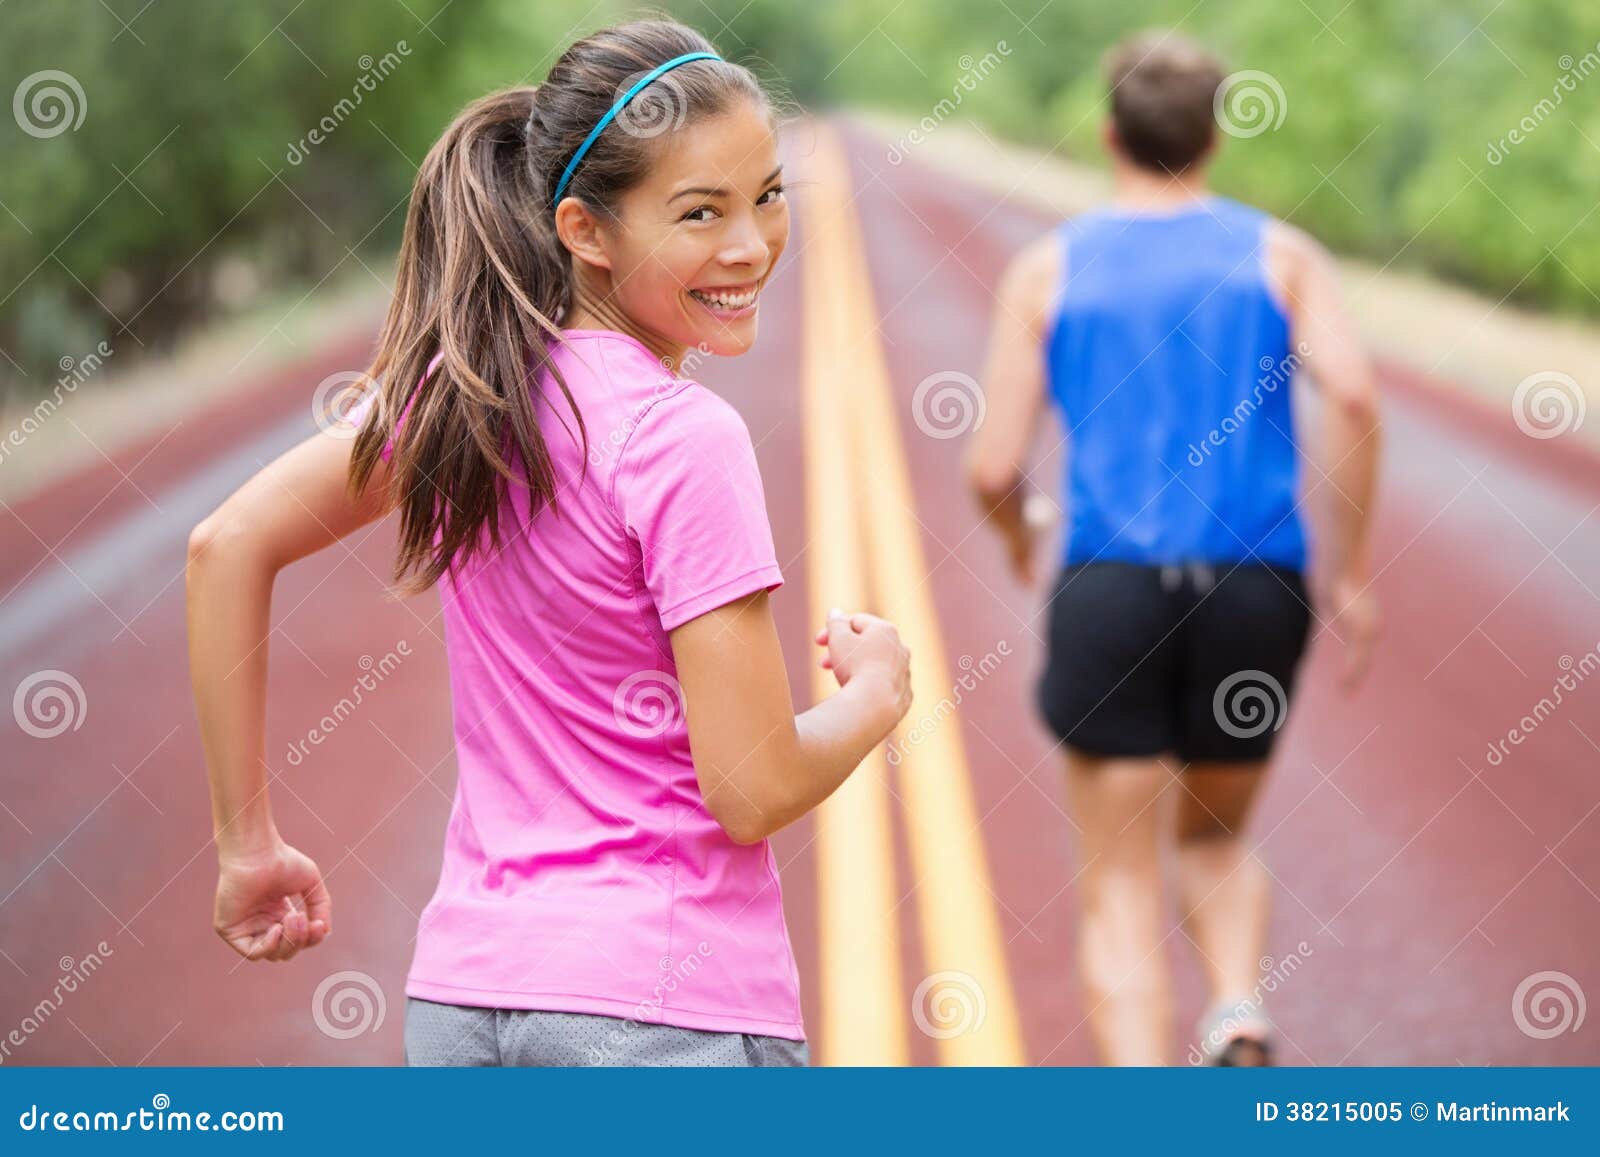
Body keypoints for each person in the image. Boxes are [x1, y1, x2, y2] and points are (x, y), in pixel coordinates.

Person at [186, 18, 911, 1068]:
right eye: (699, 212)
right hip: (666, 1011)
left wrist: (245, 843)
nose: (750, 243)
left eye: (768, 193)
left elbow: (225, 543)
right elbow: (752, 786)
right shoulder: (680, 434)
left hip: (464, 1005)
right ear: (586, 229)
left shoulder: (461, 396)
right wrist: (876, 695)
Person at [966, 30, 1381, 1065]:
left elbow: (990, 466)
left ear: (1109, 134)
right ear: (1210, 138)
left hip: (1110, 585)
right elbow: (1360, 396)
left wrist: (1020, 537)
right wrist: (1354, 570)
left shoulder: (1047, 266)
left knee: (1115, 877)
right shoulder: (1279, 255)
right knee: (1214, 831)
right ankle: (1237, 1006)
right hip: (1257, 586)